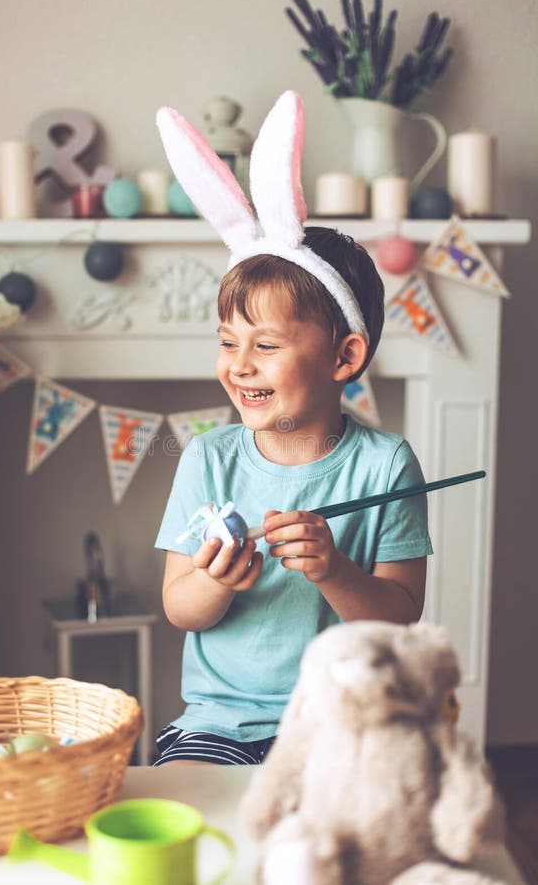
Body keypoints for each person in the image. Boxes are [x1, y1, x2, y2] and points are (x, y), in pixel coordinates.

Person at [152, 92, 432, 766]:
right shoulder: (208, 459)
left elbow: (400, 615)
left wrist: (333, 567)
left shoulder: (387, 465)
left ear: (344, 358)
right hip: (218, 723)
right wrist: (216, 580)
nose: (239, 365)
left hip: (345, 721)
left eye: (267, 345)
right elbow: (180, 608)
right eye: (228, 342)